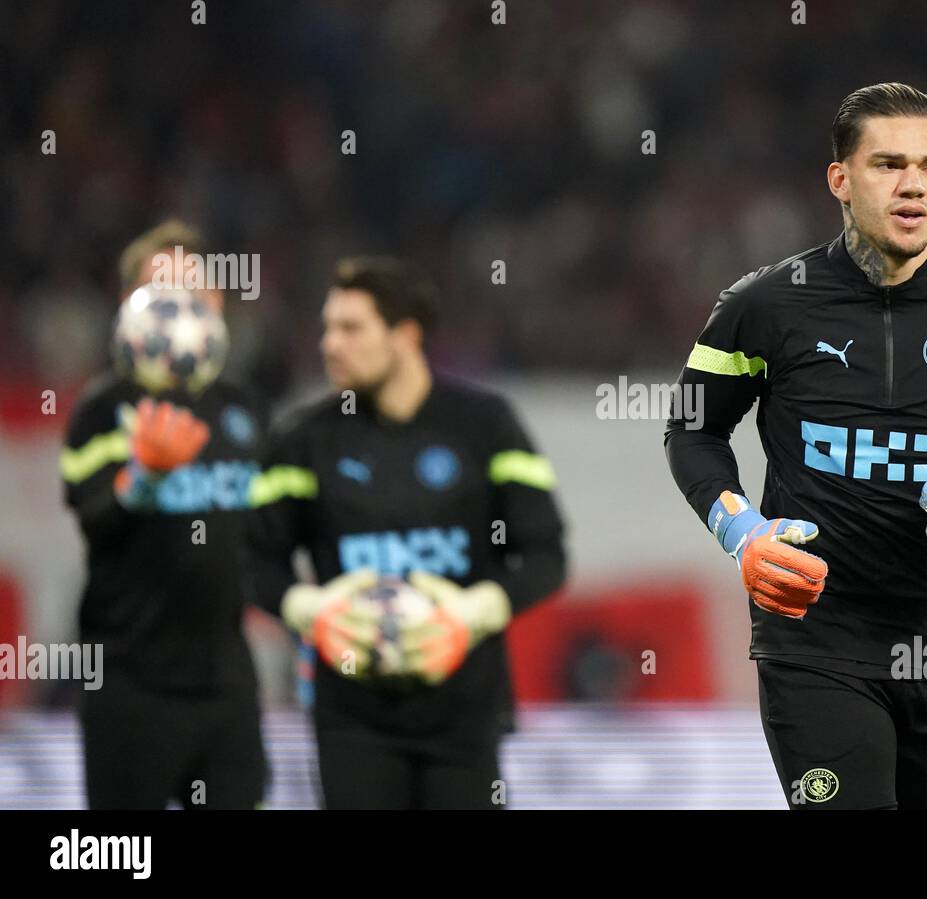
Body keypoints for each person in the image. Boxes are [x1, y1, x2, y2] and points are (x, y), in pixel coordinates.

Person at [664, 83, 927, 809]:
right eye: (889, 164)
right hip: (815, 636)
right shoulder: (765, 304)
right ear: (840, 178)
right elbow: (693, 428)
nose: (914, 185)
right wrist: (743, 533)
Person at [247, 256, 566, 809]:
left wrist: (476, 611)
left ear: (404, 334)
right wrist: (309, 609)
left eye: (351, 328)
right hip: (351, 719)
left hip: (466, 715)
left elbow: (546, 556)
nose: (330, 344)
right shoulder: (303, 439)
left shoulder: (486, 425)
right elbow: (253, 560)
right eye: (327, 327)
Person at [61, 220, 268, 809]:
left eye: (193, 288)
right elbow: (95, 516)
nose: (180, 306)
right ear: (130, 308)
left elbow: (269, 531)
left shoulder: (246, 411)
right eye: (161, 290)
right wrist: (145, 477)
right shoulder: (103, 410)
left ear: (218, 301)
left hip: (226, 682)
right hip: (130, 684)